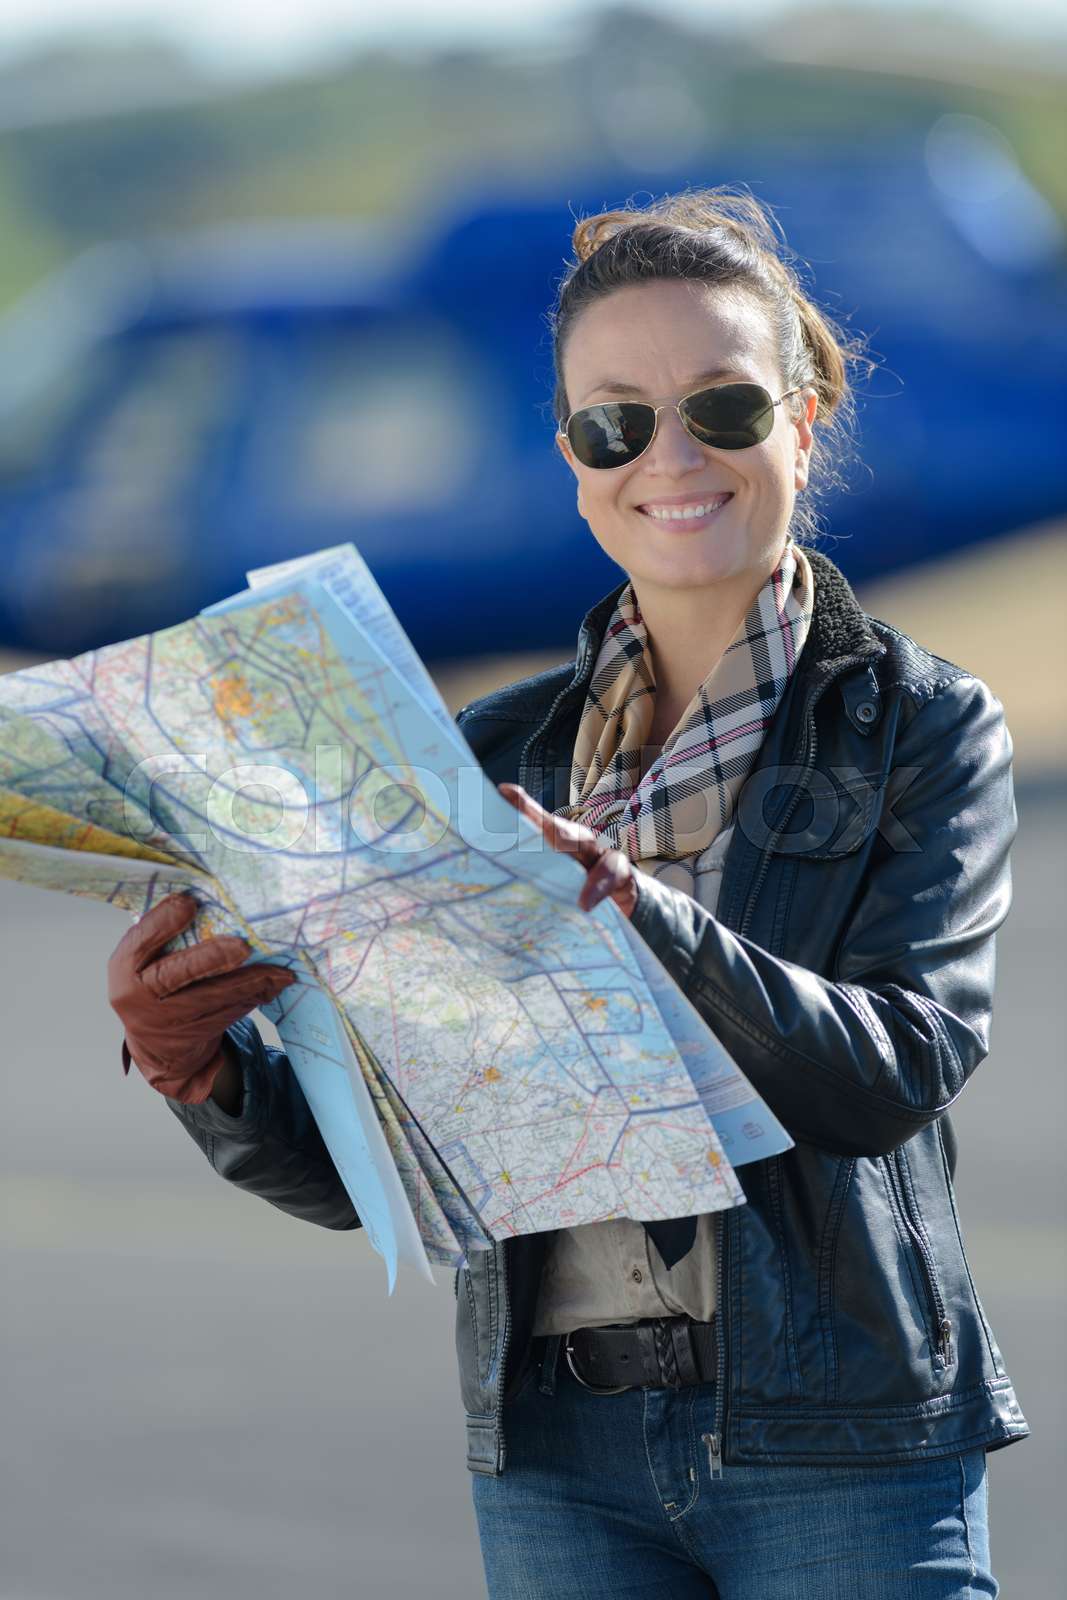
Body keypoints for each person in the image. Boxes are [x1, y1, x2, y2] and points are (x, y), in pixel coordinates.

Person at [108, 186, 1030, 1598]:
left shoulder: (923, 722)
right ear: (573, 455)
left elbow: (895, 1071)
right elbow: (399, 1166)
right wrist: (201, 1073)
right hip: (555, 1453)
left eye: (722, 408)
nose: (671, 456)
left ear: (804, 418)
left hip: (841, 1443)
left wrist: (641, 911)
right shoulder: (488, 755)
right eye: (617, 422)